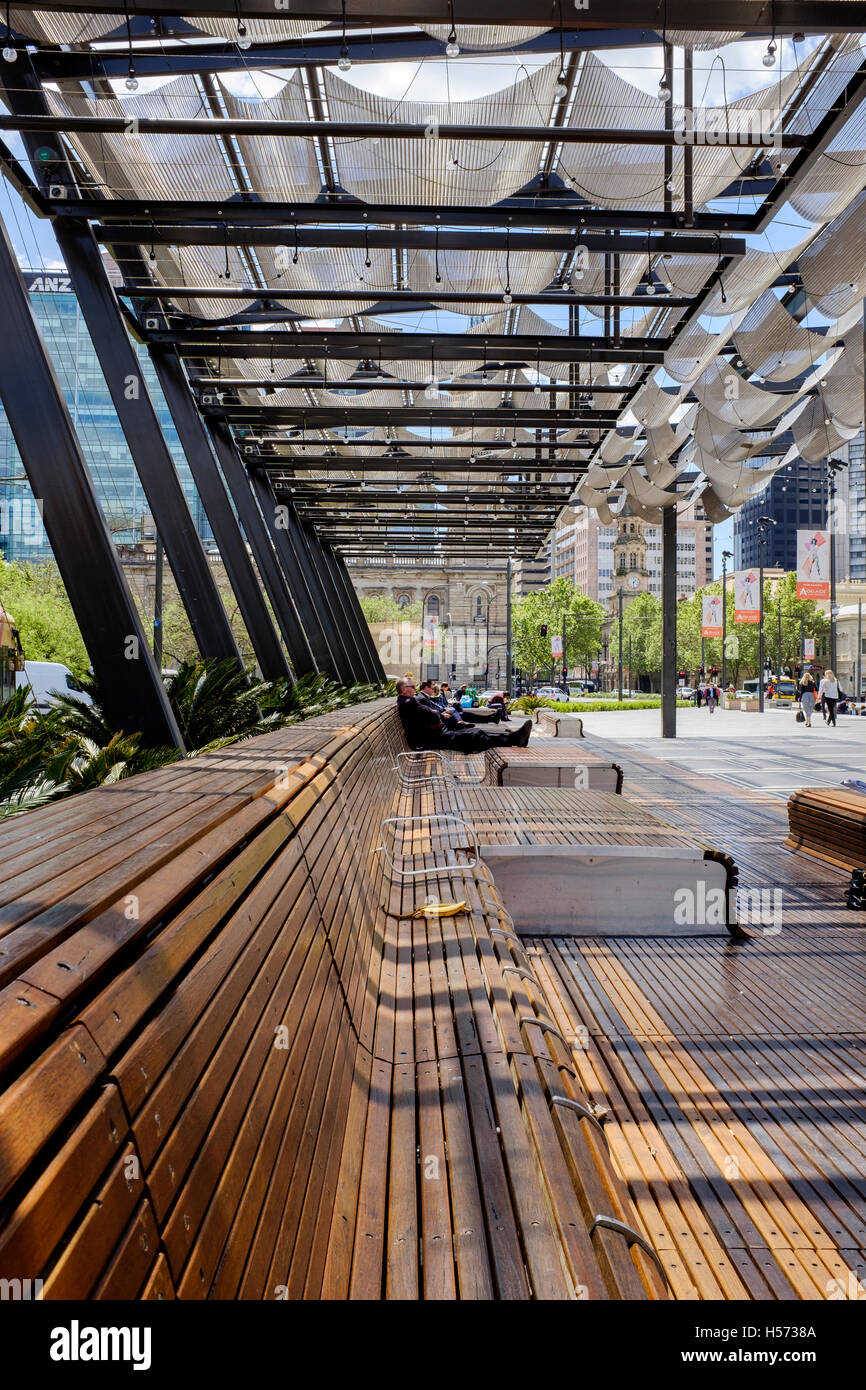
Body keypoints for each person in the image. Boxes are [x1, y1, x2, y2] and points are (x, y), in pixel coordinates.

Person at [396, 678, 531, 752]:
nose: (415, 689)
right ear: (403, 689)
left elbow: (431, 713)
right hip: (431, 739)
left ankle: (513, 738)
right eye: (412, 687)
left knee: (476, 733)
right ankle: (514, 739)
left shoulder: (409, 701)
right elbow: (430, 714)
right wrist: (434, 712)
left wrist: (434, 712)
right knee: (475, 735)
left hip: (437, 734)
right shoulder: (407, 702)